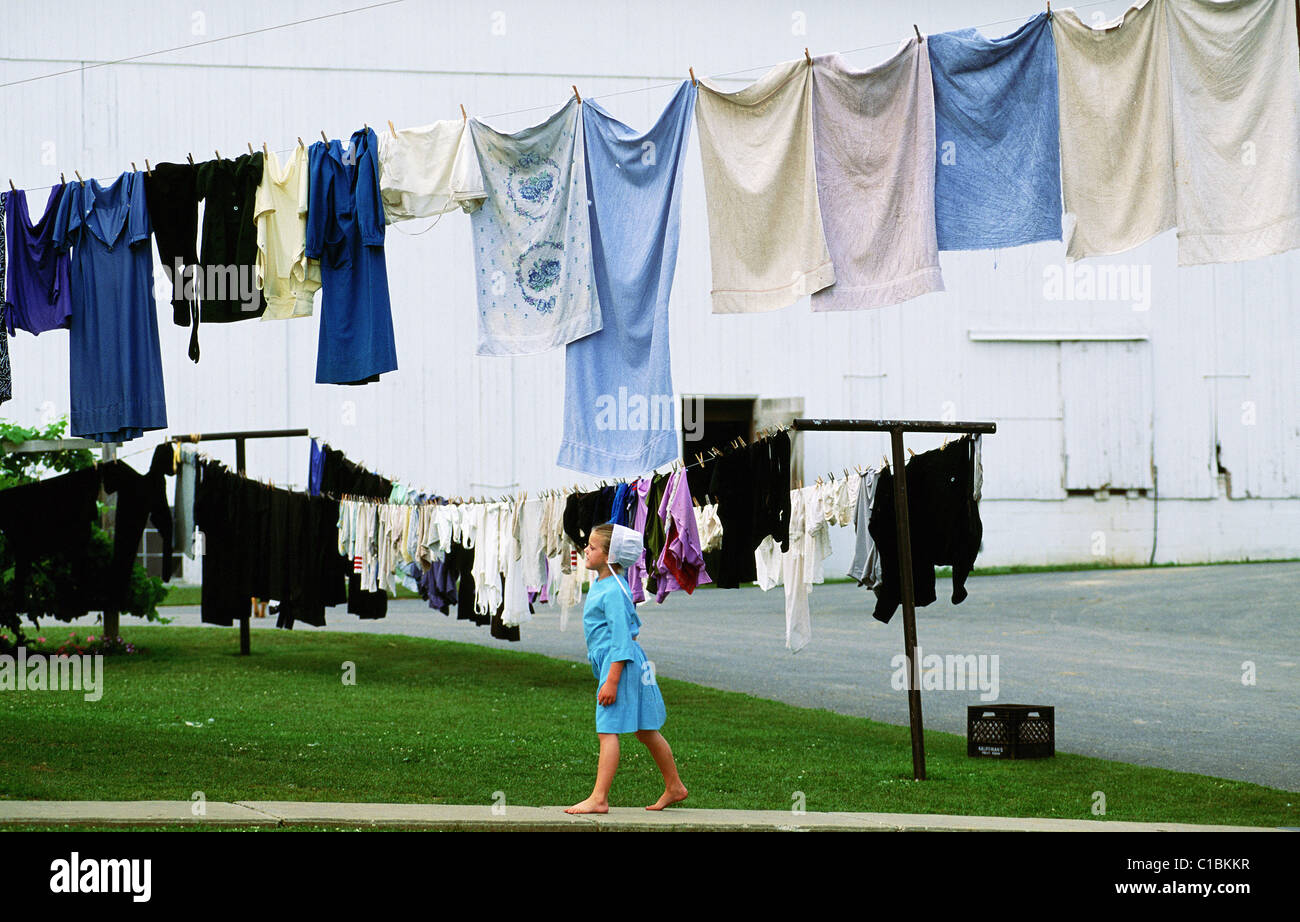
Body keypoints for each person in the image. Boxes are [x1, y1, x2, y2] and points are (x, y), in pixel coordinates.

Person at [565, 523, 688, 814]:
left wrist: (611, 680)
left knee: (607, 730)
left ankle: (599, 798)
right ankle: (675, 787)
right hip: (628, 662)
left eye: (593, 547)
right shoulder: (607, 584)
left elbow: (621, 640)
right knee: (646, 730)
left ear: (610, 556)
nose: (586, 549)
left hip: (620, 664)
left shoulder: (612, 592)